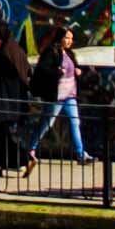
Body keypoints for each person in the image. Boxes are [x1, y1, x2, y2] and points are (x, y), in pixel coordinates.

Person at [25, 33, 91, 165]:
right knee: (47, 123)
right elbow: (43, 69)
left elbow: (73, 69)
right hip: (57, 96)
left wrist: (77, 71)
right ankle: (31, 148)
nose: (69, 41)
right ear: (60, 38)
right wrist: (58, 71)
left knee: (75, 122)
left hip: (70, 96)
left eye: (71, 38)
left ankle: (81, 154)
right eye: (67, 38)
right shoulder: (52, 52)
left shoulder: (69, 54)